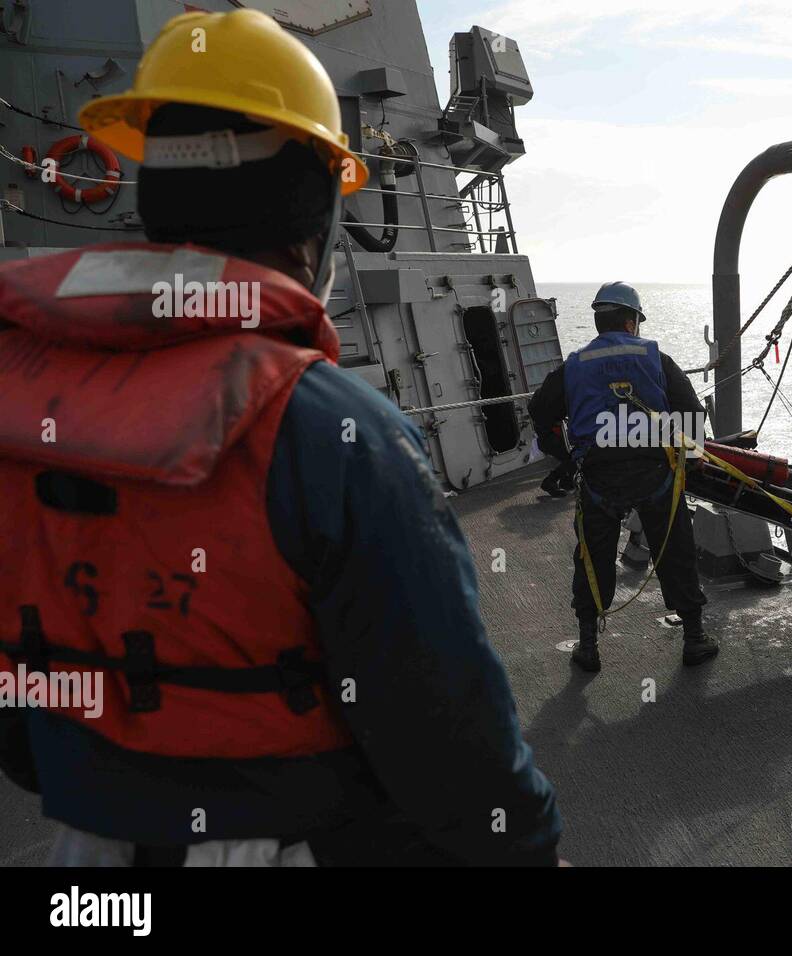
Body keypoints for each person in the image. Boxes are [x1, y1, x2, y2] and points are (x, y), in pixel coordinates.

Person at [0, 8, 561, 866]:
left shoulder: (18, 409)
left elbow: (22, 734)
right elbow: (449, 737)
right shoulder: (336, 435)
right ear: (314, 219)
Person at [528, 282, 717, 672]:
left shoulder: (575, 366)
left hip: (599, 480)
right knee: (675, 549)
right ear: (632, 322)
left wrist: (568, 457)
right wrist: (693, 459)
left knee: (592, 556)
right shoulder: (655, 358)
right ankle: (694, 638)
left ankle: (588, 644)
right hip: (656, 476)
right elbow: (691, 412)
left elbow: (541, 412)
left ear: (599, 321)